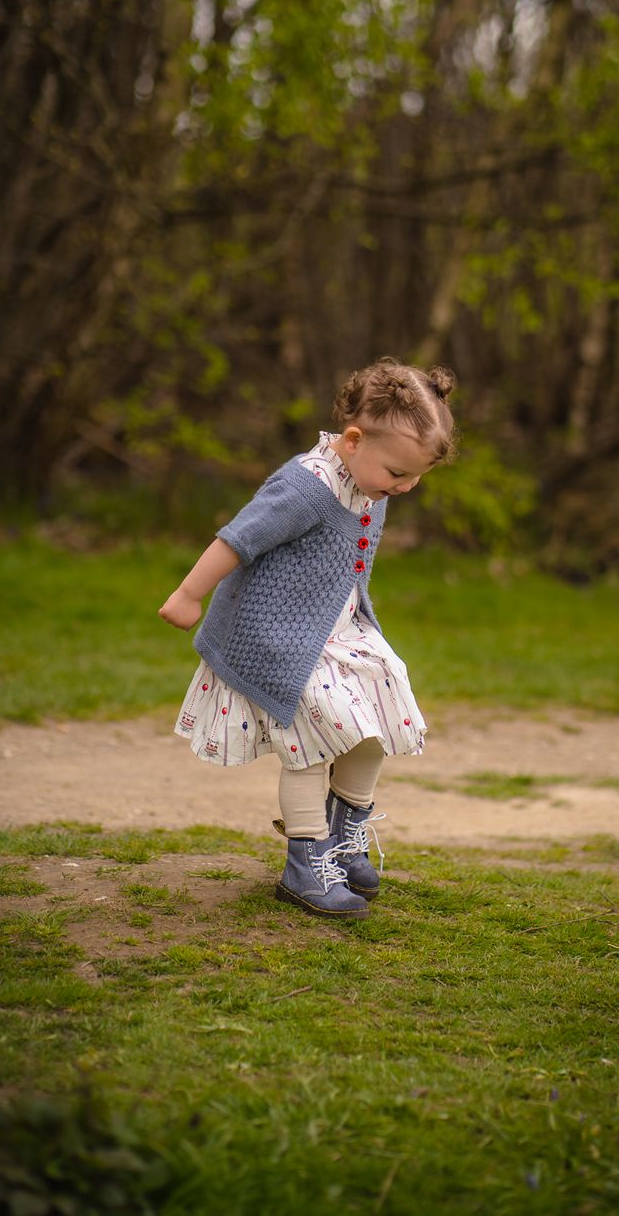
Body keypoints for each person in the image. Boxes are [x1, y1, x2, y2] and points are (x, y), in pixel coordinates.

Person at [158, 357, 458, 920]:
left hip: (337, 631)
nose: (406, 486)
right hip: (279, 638)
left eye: (416, 476)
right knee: (310, 747)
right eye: (397, 473)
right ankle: (305, 862)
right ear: (351, 440)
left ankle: (343, 841)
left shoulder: (368, 480)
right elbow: (237, 539)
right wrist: (188, 595)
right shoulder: (307, 486)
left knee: (373, 728)